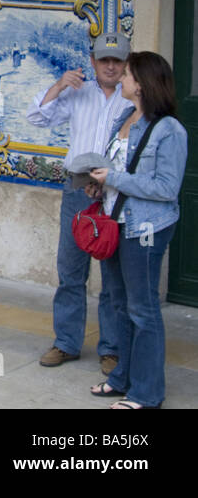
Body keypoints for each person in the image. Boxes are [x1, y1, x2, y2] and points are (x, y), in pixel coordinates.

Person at [26, 31, 134, 372]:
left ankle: (112, 348)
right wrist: (58, 85)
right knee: (71, 269)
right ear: (93, 62)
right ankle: (66, 342)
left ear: (125, 64)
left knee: (113, 276)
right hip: (77, 189)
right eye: (104, 60)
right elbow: (36, 117)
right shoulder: (78, 92)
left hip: (115, 193)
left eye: (117, 61)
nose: (110, 66)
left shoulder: (133, 100)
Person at [86, 51, 187, 409]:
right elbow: (119, 169)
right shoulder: (126, 118)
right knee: (118, 304)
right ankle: (122, 377)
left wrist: (115, 179)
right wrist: (100, 185)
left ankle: (147, 392)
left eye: (127, 74)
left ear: (142, 84)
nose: (121, 78)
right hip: (115, 222)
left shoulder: (169, 130)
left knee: (143, 310)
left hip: (145, 227)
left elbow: (166, 188)